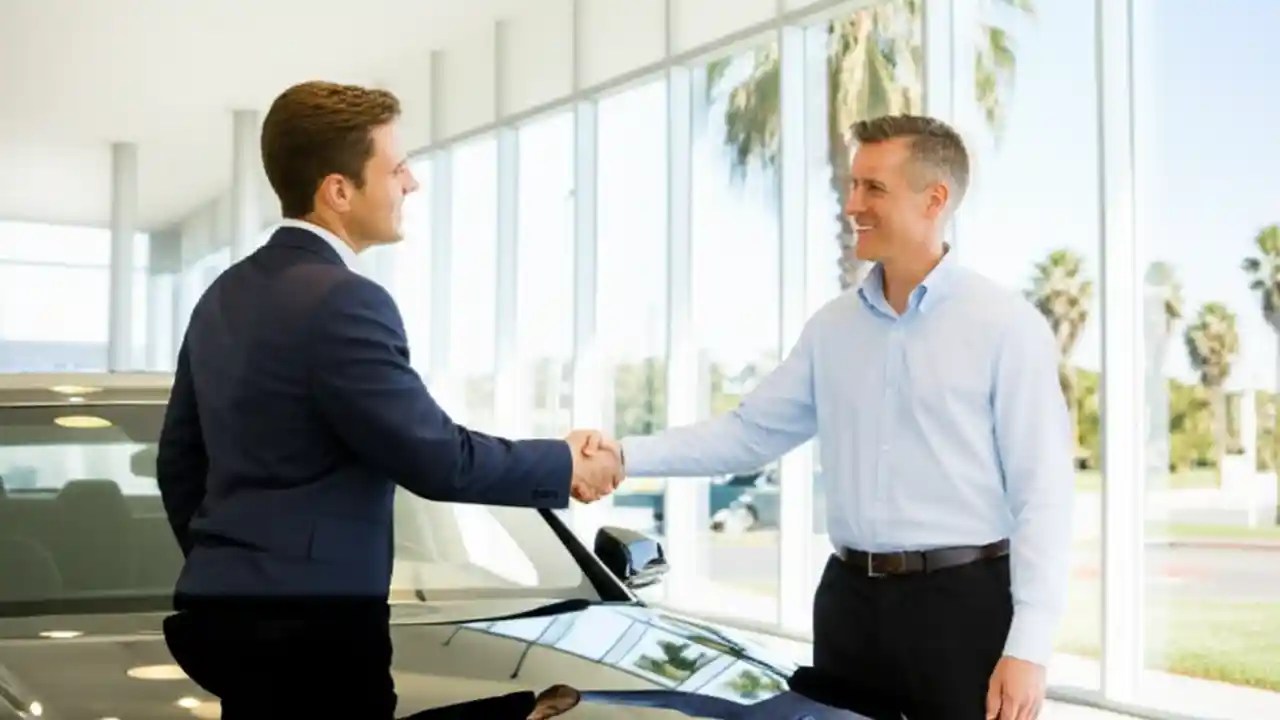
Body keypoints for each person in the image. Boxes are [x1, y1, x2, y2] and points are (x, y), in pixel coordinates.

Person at [580, 114, 1073, 719]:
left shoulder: (1005, 325)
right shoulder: (833, 327)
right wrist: (625, 456)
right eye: (851, 186)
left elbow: (1043, 496)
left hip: (962, 608)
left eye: (873, 188)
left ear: (934, 199)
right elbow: (749, 434)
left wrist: (1029, 647)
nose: (852, 205)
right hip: (849, 605)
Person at [155, 80, 621, 718]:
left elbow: (180, 462)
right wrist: (565, 465)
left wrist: (240, 563)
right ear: (338, 191)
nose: (411, 184)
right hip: (316, 637)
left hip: (229, 631)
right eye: (396, 167)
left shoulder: (223, 297)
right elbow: (433, 456)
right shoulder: (343, 300)